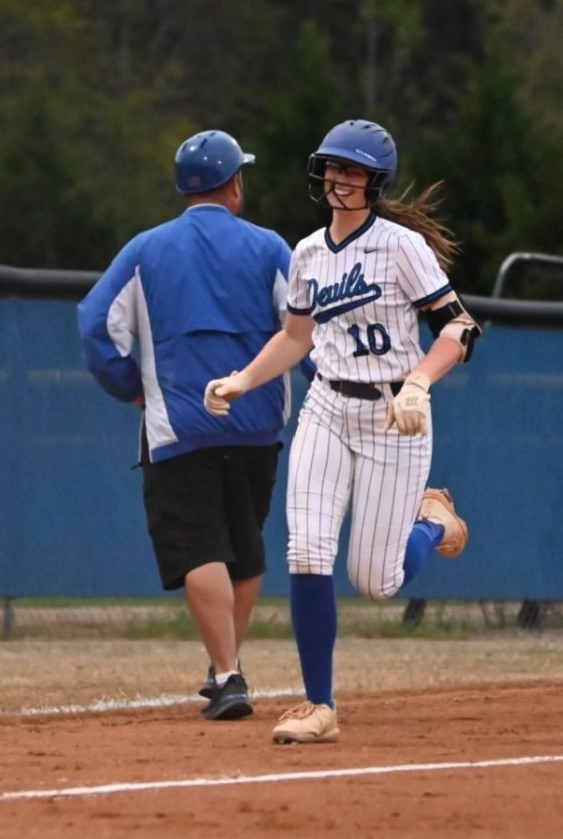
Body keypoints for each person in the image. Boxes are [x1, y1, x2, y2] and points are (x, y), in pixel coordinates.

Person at [203, 118, 481, 744]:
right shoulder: (306, 253)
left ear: (376, 181)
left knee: (375, 581)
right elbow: (296, 338)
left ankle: (434, 521)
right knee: (307, 549)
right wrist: (243, 380)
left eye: (353, 169)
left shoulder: (401, 246)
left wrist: (419, 381)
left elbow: (460, 327)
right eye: (333, 166)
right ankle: (319, 706)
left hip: (394, 414)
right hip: (327, 407)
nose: (339, 178)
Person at [77, 130, 297, 721]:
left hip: (180, 427)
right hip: (256, 426)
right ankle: (227, 668)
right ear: (235, 184)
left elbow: (95, 325)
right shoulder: (271, 248)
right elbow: (305, 328)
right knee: (244, 551)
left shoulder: (145, 250)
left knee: (201, 546)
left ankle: (226, 674)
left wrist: (133, 388)